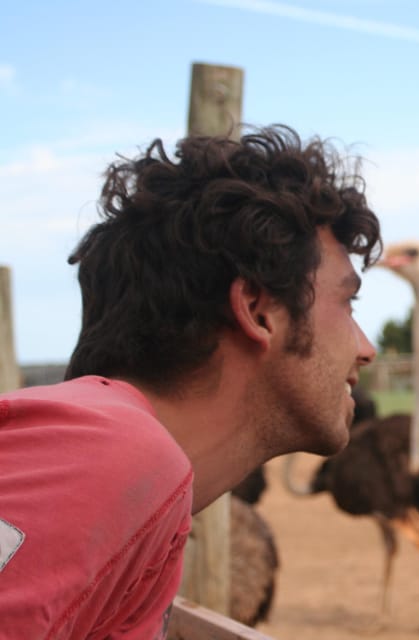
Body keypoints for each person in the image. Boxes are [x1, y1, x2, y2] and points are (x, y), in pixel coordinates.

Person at [0, 124, 381, 638]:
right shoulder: (115, 454)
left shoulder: (148, 504)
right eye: (347, 302)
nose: (366, 349)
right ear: (257, 310)